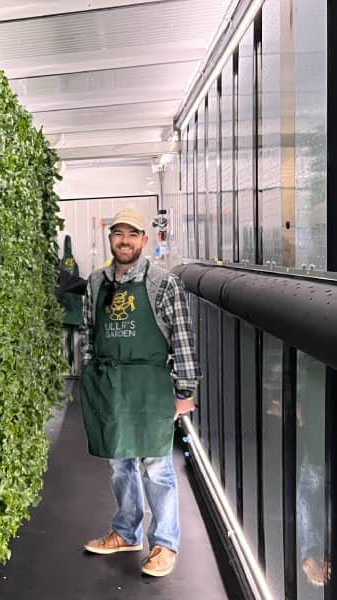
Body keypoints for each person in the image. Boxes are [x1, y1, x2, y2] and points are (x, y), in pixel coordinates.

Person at [77, 207, 200, 578]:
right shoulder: (97, 282)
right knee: (119, 462)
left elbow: (182, 338)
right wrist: (91, 372)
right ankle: (126, 531)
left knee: (157, 466)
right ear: (111, 239)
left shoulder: (163, 283)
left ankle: (164, 543)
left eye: (132, 235)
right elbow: (88, 331)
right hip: (110, 385)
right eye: (119, 234)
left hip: (150, 386)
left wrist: (185, 389)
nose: (125, 241)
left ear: (144, 240)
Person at [56, 234, 86, 374]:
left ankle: (69, 369)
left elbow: (78, 284)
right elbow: (79, 284)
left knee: (67, 343)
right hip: (71, 313)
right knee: (69, 343)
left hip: (66, 313)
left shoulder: (60, 272)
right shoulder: (65, 271)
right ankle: (71, 369)